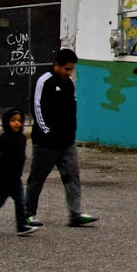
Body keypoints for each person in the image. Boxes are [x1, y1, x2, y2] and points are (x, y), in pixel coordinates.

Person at [24, 48, 97, 228]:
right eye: (66, 69)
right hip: (46, 144)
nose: (69, 73)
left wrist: (71, 134)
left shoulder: (68, 84)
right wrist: (47, 133)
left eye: (71, 69)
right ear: (56, 65)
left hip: (67, 143)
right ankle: (28, 214)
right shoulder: (44, 81)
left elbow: (71, 109)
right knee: (37, 178)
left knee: (72, 177)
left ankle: (75, 214)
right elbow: (36, 108)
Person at [0, 106, 36, 237]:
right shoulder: (3, 139)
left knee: (20, 200)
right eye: (13, 120)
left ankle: (21, 226)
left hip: (16, 177)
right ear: (6, 122)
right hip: (4, 177)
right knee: (0, 201)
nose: (17, 123)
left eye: (19, 120)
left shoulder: (22, 138)